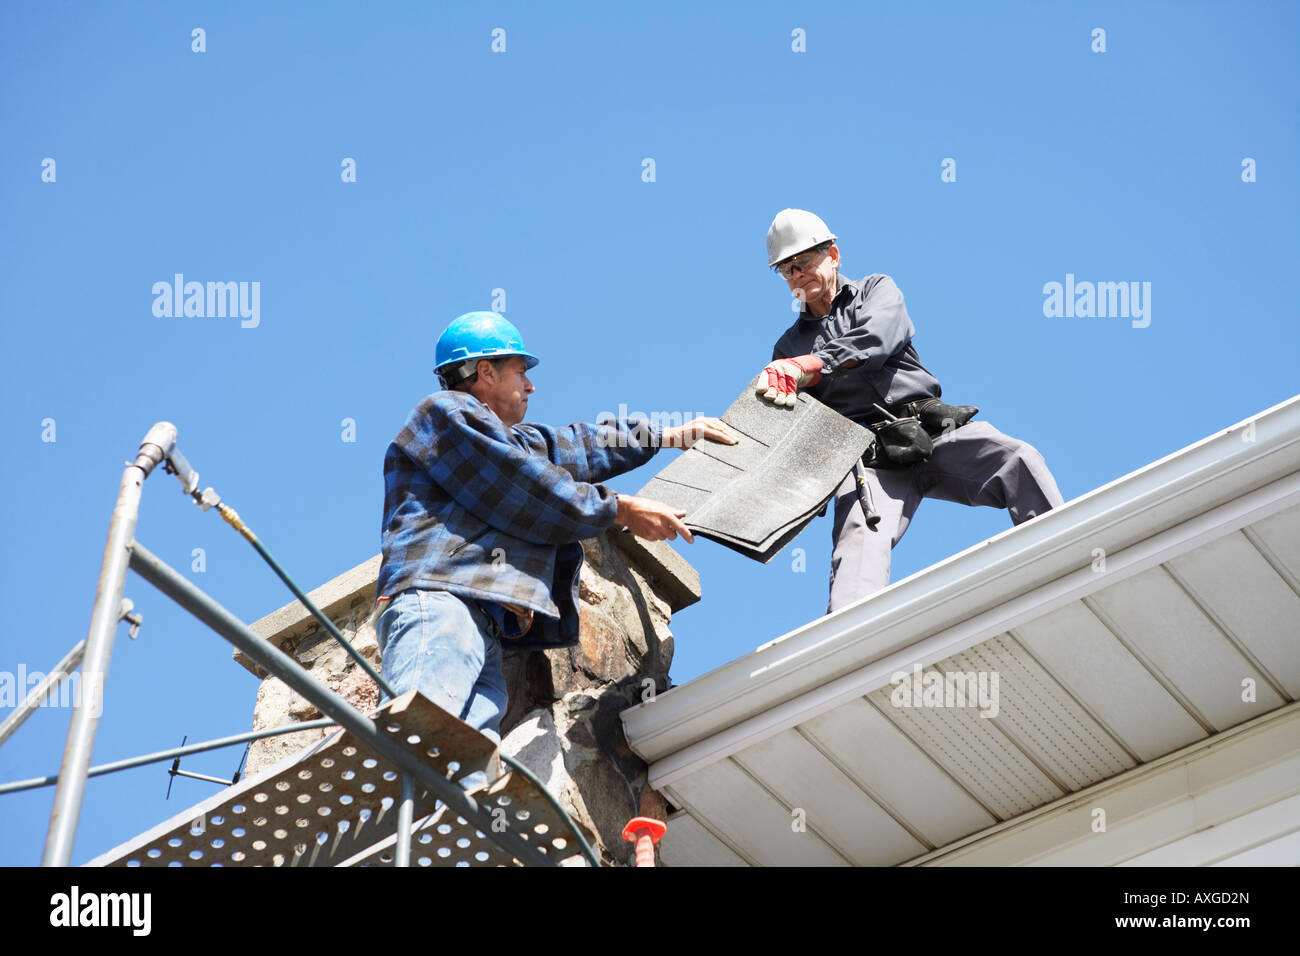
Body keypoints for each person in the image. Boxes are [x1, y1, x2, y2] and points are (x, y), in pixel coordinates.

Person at [375, 311, 734, 767]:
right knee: (421, 744)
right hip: (438, 602)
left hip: (482, 624)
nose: (531, 387)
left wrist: (667, 436)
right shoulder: (444, 415)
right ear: (485, 371)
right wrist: (619, 508)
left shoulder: (506, 438)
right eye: (521, 373)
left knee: (463, 773)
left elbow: (579, 445)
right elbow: (522, 486)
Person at [757, 209, 1065, 613]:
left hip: (933, 430)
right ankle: (850, 645)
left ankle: (1065, 559)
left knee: (1017, 459)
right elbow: (801, 430)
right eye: (787, 270)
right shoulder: (787, 348)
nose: (797, 275)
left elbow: (877, 338)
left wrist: (810, 365)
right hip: (870, 463)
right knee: (859, 542)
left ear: (832, 254)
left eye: (804, 262)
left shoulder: (875, 290)